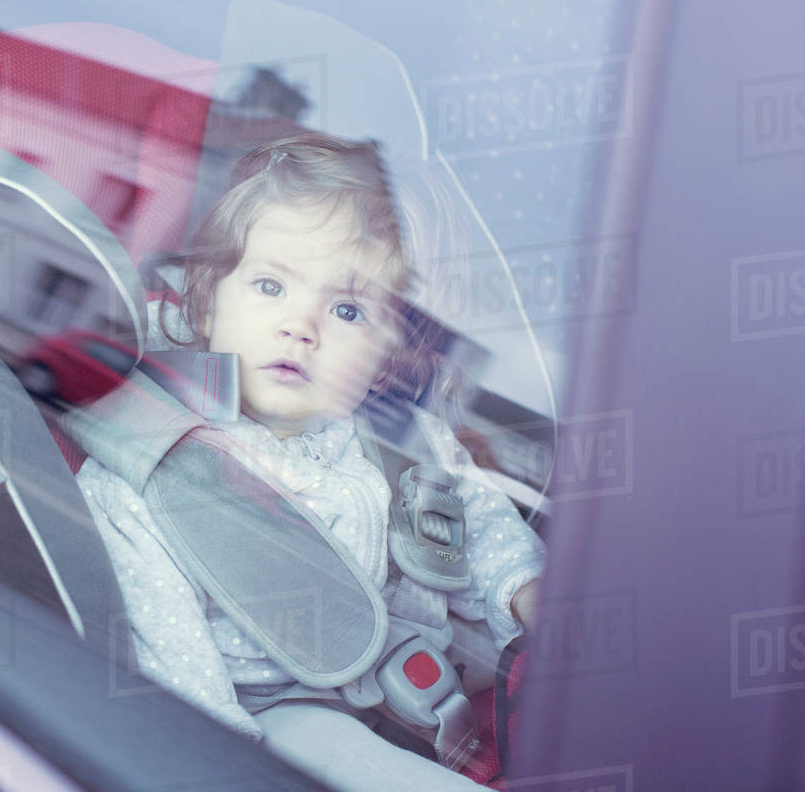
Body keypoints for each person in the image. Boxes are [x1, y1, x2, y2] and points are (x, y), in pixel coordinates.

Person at [72, 133, 545, 792]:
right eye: (270, 284)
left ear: (385, 349)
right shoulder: (146, 475)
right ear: (209, 297)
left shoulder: (401, 440)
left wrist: (528, 594)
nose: (302, 325)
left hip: (431, 695)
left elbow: (484, 530)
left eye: (347, 308)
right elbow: (184, 693)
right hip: (272, 717)